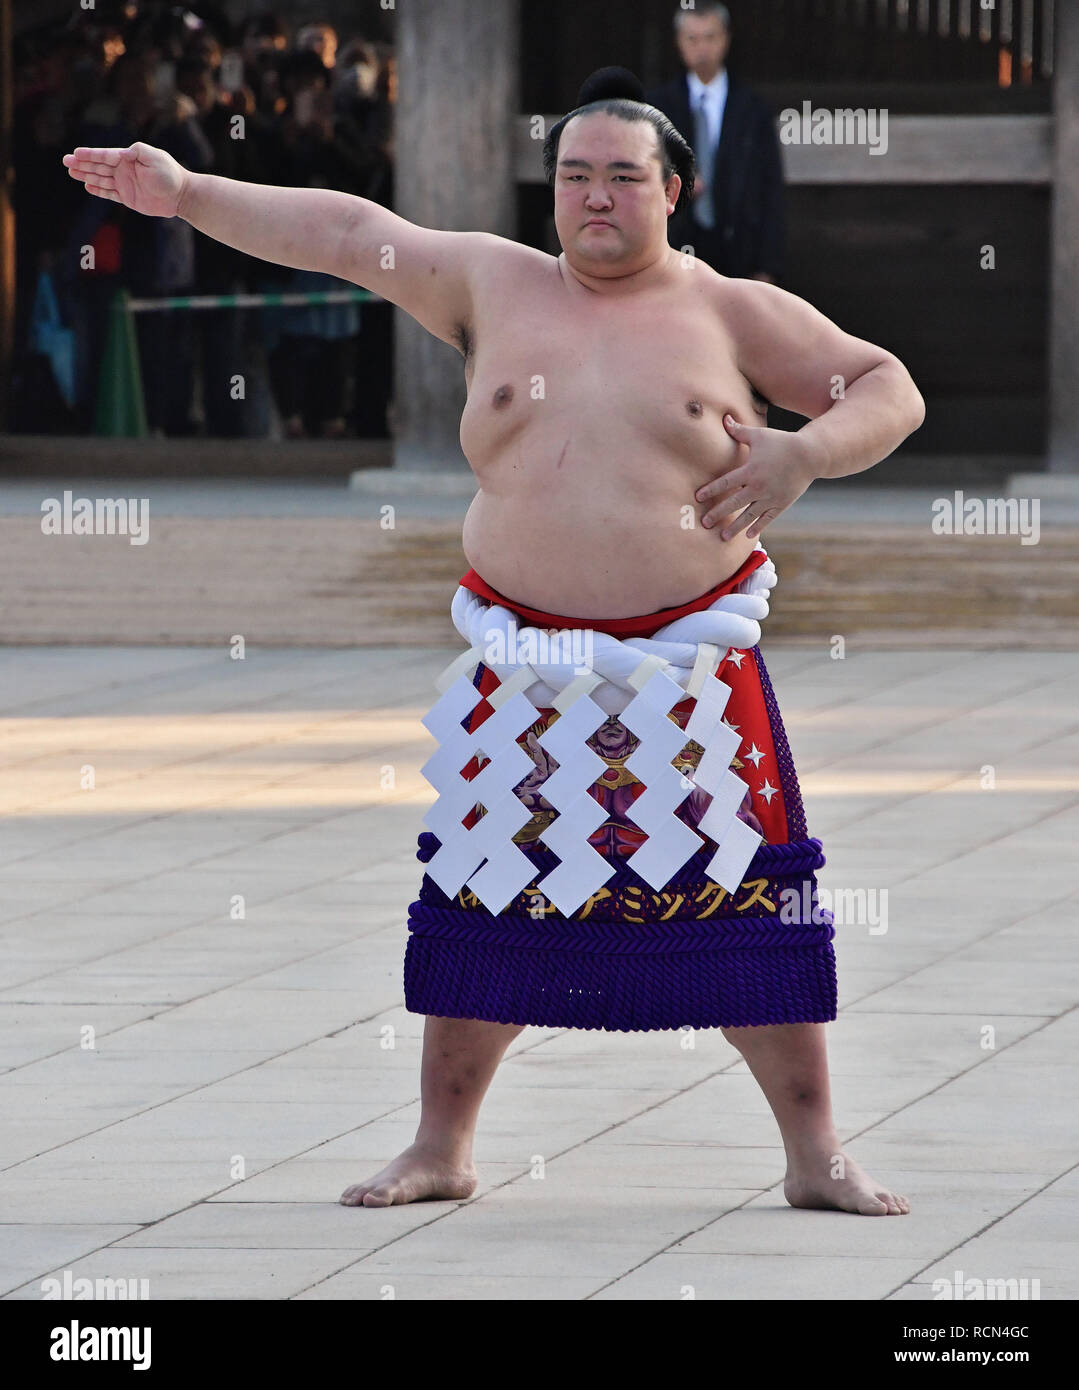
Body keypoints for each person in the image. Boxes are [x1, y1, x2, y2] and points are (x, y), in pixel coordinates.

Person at [63, 63, 923, 1218]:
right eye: (574, 177)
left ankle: (814, 1156)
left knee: (746, 904)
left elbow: (883, 384)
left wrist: (802, 454)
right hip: (521, 670)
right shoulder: (487, 282)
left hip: (689, 672)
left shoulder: (728, 310)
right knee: (482, 897)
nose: (596, 199)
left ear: (675, 188)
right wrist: (186, 193)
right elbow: (343, 231)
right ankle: (441, 1145)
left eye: (623, 177)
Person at [647, 1, 785, 283]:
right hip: (675, 243)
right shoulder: (658, 107)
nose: (702, 48)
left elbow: (771, 190)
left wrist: (767, 266)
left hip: (738, 246)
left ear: (726, 39)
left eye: (710, 37)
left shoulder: (752, 109)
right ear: (679, 43)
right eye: (693, 38)